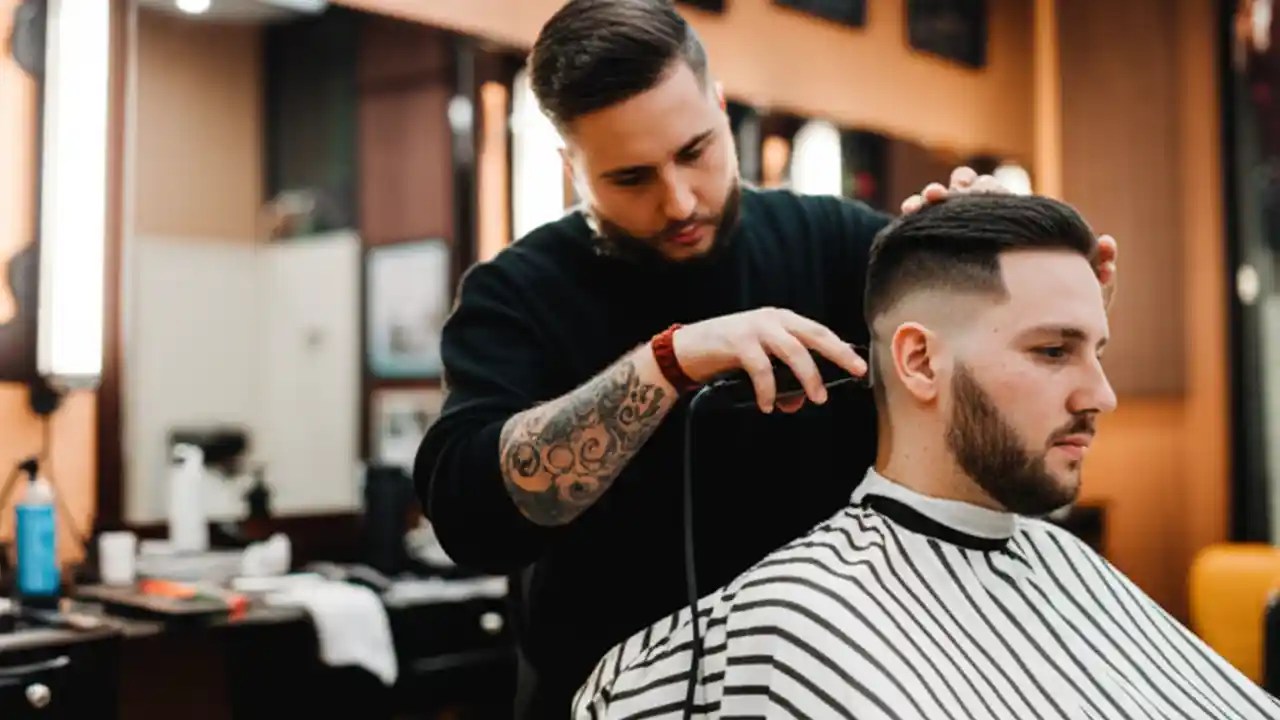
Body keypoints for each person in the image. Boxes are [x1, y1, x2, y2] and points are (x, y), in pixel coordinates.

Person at [413, 1, 1120, 716]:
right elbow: (471, 516)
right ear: (571, 167)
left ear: (721, 110)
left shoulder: (840, 245)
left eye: (695, 152)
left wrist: (1040, 304)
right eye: (631, 179)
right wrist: (669, 363)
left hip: (830, 689)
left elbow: (984, 388)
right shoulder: (515, 294)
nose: (679, 202)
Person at [571, 194, 1276, 720]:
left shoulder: (1062, 562)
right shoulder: (795, 619)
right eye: (1052, 350)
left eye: (1097, 351)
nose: (1103, 395)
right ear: (918, 361)